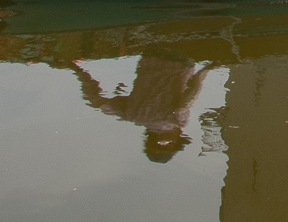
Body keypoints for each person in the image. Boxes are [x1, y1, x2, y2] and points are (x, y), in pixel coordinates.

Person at [71, 54, 210, 162]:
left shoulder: (177, 120)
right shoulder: (132, 115)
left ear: (173, 138)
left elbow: (191, 94)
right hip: (151, 54)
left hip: (182, 59)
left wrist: (207, 68)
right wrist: (75, 69)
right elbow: (96, 101)